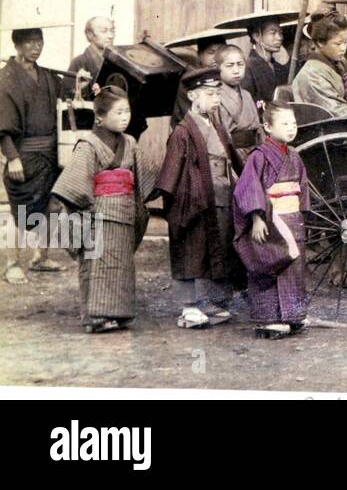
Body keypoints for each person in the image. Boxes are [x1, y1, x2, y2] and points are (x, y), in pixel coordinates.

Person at [50, 86, 150, 333]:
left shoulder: (130, 142)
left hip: (125, 211)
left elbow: (144, 178)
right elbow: (75, 184)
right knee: (96, 264)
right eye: (118, 112)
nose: (124, 117)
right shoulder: (89, 144)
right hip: (97, 213)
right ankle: (95, 317)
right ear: (100, 117)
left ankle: (122, 313)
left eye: (127, 111)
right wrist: (84, 213)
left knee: (123, 266)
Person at [153, 65, 243, 329]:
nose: (216, 99)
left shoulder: (216, 123)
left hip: (221, 193)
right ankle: (189, 307)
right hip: (195, 198)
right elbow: (171, 173)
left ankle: (212, 302)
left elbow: (232, 158)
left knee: (220, 247)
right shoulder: (182, 132)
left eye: (218, 94)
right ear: (193, 97)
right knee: (192, 248)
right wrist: (178, 204)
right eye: (210, 94)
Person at [233, 101, 310, 339]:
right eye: (285, 123)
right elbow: (248, 188)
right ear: (267, 126)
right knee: (269, 263)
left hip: (292, 218)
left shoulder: (295, 157)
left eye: (294, 123)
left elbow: (303, 189)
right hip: (269, 218)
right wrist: (256, 218)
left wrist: (302, 213)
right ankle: (268, 319)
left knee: (294, 267)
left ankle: (293, 315)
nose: (291, 128)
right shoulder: (258, 157)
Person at [1, 27, 67, 284]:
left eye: (39, 41)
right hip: (23, 154)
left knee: (52, 205)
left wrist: (84, 83)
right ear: (17, 45)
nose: (36, 46)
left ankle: (40, 257)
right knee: (20, 211)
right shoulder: (6, 78)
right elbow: (2, 124)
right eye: (29, 42)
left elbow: (68, 94)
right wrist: (12, 156)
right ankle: (11, 264)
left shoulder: (48, 76)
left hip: (51, 153)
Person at [291, 9, 347, 117]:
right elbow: (336, 112)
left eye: (345, 42)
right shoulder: (311, 74)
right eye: (338, 44)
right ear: (320, 42)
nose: (343, 48)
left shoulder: (340, 62)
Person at [213, 45, 263, 169]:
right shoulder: (215, 97)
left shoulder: (246, 95)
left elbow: (258, 131)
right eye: (229, 65)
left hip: (254, 152)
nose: (236, 70)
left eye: (240, 64)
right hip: (231, 156)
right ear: (218, 68)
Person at [242, 16, 292, 106]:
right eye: (273, 33)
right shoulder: (248, 68)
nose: (279, 37)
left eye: (280, 33)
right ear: (257, 36)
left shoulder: (276, 66)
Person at [66, 16, 115, 101]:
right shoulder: (78, 62)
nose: (111, 36)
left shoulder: (114, 62)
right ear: (90, 35)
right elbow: (66, 97)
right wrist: (80, 88)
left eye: (112, 30)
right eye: (104, 31)